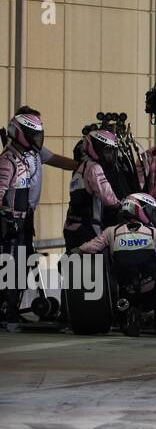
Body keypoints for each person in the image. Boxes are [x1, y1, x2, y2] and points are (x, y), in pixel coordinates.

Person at [2, 110, 75, 331]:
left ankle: (12, 310)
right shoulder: (9, 160)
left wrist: (84, 166)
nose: (37, 139)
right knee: (10, 268)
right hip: (11, 221)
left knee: (22, 267)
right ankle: (9, 312)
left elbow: (57, 160)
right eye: (33, 134)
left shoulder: (28, 155)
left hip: (26, 217)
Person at [76, 192, 156, 336]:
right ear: (142, 210)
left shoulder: (111, 232)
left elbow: (88, 248)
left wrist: (74, 251)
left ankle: (122, 320)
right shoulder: (155, 234)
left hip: (121, 289)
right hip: (148, 287)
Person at [62, 128, 121, 250]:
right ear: (95, 149)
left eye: (111, 152)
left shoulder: (81, 166)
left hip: (72, 226)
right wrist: (123, 205)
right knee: (94, 267)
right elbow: (109, 198)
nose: (110, 156)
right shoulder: (95, 168)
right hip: (89, 229)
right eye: (106, 151)